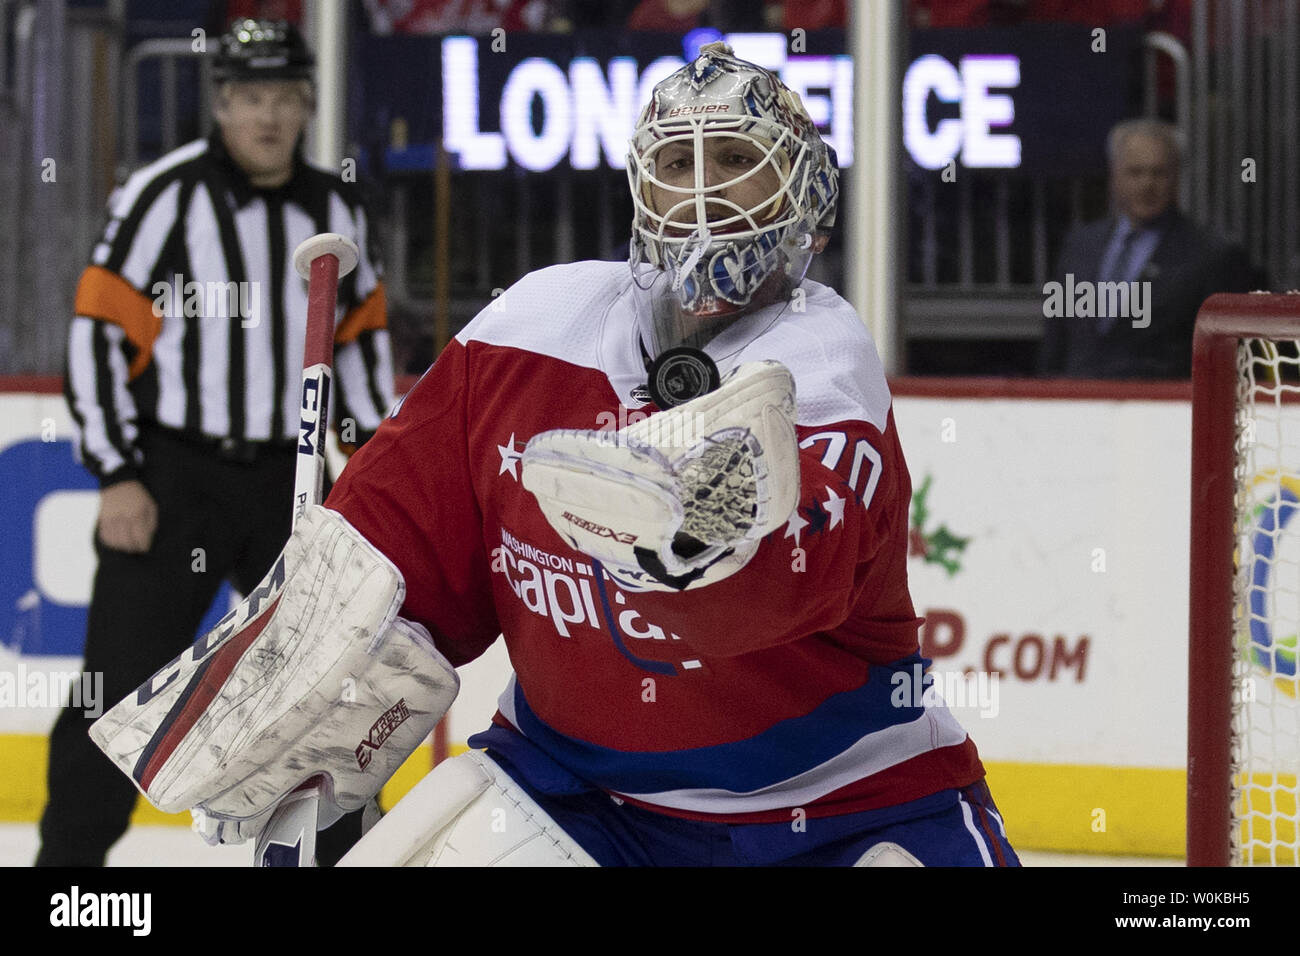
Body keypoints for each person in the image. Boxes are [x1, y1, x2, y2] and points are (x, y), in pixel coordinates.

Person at [91, 42, 1016, 867]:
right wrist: (324, 668)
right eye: (676, 162)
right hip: (571, 793)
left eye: (736, 160)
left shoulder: (821, 355)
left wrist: (688, 542)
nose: (702, 190)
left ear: (802, 188)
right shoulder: (535, 324)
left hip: (844, 806)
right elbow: (408, 532)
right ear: (638, 186)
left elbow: (776, 586)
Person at [40, 19, 393, 867]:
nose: (265, 115)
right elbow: (97, 333)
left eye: (282, 96)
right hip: (174, 478)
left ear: (307, 106)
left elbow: (362, 341)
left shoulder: (334, 207)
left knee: (321, 692)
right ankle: (65, 883)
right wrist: (118, 474)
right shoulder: (163, 195)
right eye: (247, 96)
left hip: (290, 482)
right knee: (114, 691)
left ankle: (336, 859)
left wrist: (370, 469)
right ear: (222, 103)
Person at [1039, 117, 1253, 379]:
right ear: (1114, 175)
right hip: (1076, 405)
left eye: (1158, 173)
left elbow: (1224, 356)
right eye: (1135, 172)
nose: (1147, 184)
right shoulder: (1080, 245)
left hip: (1163, 409)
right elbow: (1057, 337)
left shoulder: (1212, 256)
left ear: (1176, 177)